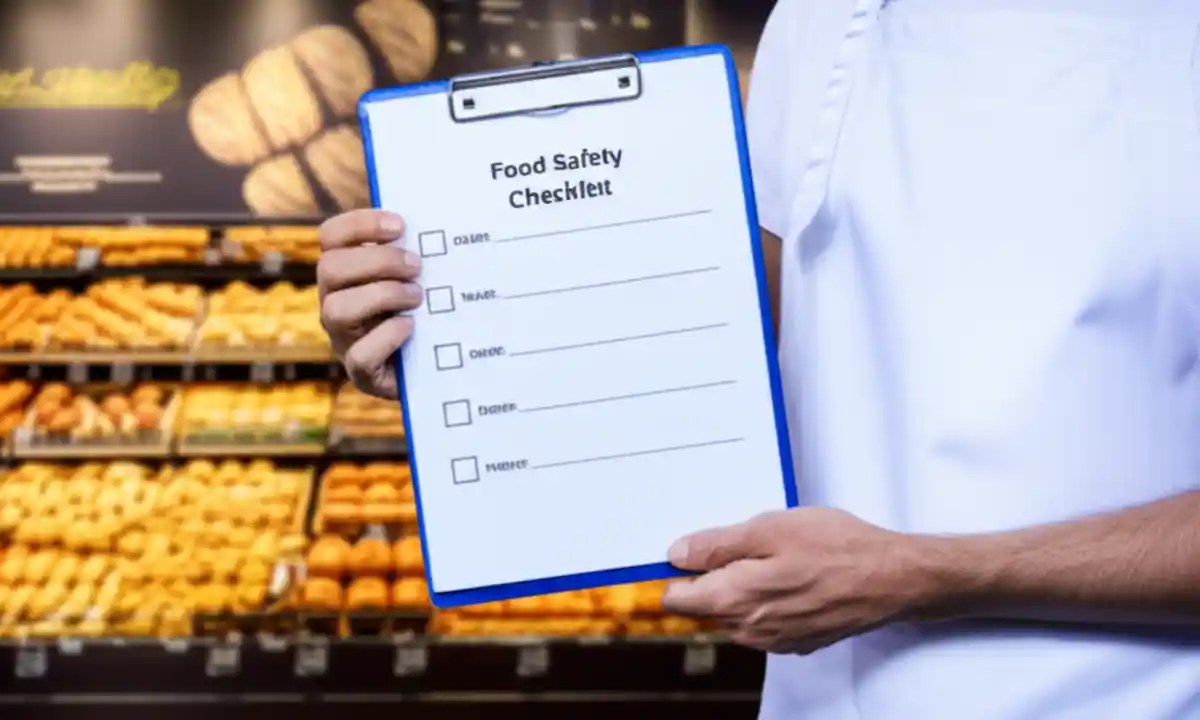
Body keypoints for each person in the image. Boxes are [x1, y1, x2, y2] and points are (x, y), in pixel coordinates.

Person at [319, 0, 1200, 717]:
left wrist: (930, 573)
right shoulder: (818, 20)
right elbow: (721, 342)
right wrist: (450, 341)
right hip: (819, 696)